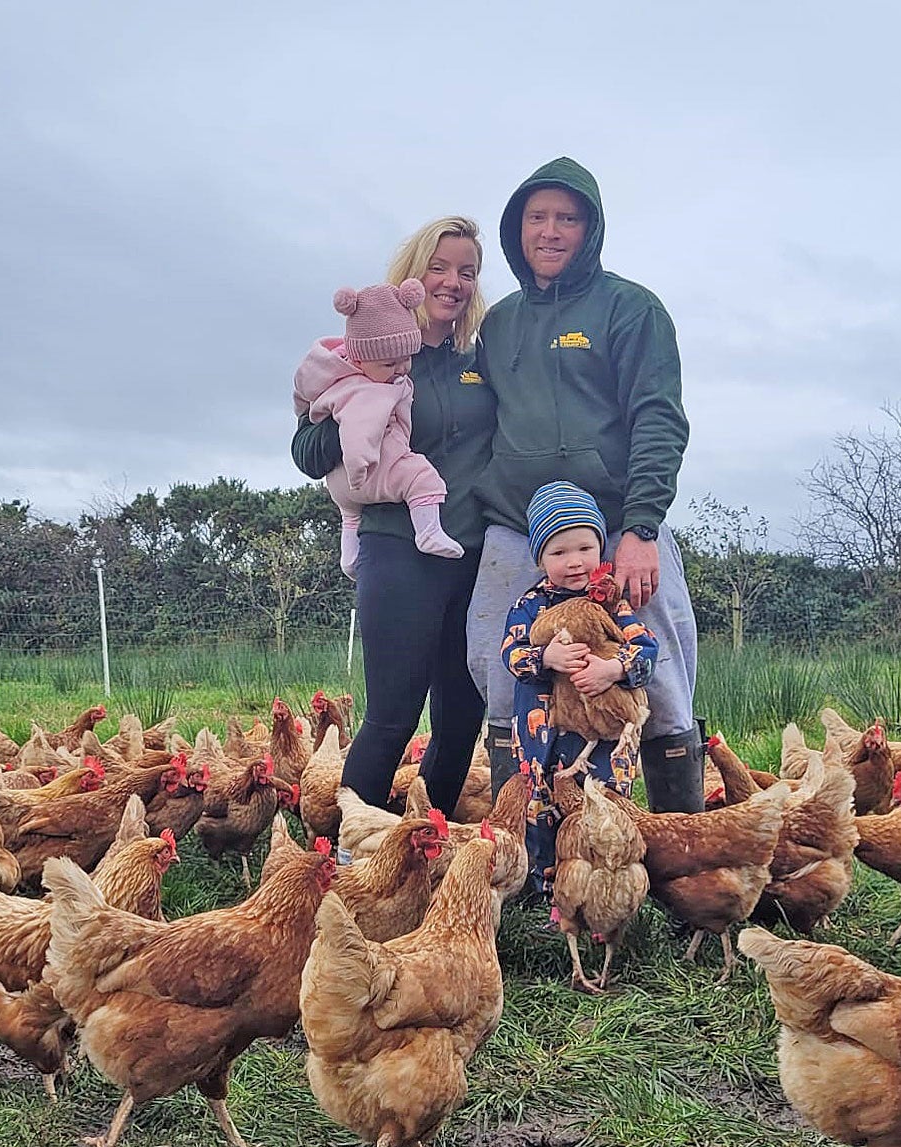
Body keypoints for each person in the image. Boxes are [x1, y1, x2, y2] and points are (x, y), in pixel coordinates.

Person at [466, 157, 702, 813]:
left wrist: (643, 527)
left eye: (566, 218)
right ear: (517, 229)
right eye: (536, 217)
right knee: (500, 666)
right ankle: (522, 842)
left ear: (590, 228)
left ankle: (683, 851)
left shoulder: (632, 309)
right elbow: (470, 422)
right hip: (517, 529)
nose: (549, 231)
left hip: (616, 527)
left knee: (661, 673)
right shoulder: (500, 323)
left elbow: (659, 416)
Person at [292, 217, 498, 815]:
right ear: (412, 275)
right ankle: (344, 856)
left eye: (467, 271)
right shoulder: (366, 353)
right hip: (398, 550)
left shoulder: (480, 361)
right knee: (393, 715)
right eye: (439, 267)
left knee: (462, 717)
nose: (453, 282)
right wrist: (358, 409)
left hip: (472, 555)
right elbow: (305, 453)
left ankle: (412, 848)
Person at [502, 481, 658, 900]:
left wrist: (613, 669)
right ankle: (544, 892)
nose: (574, 562)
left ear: (600, 550)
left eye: (585, 548)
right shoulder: (529, 605)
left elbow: (645, 650)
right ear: (540, 559)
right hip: (543, 740)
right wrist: (545, 659)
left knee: (602, 809)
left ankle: (605, 892)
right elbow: (511, 654)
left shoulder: (612, 605)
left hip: (604, 739)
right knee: (541, 810)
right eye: (558, 552)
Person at [293, 279, 465, 578]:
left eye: (406, 360)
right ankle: (428, 532)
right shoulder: (368, 391)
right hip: (369, 478)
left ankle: (348, 556)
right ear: (360, 359)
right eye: (389, 364)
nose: (400, 369)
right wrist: (359, 468)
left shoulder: (343, 376)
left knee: (350, 515)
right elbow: (359, 434)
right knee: (421, 476)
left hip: (342, 489)